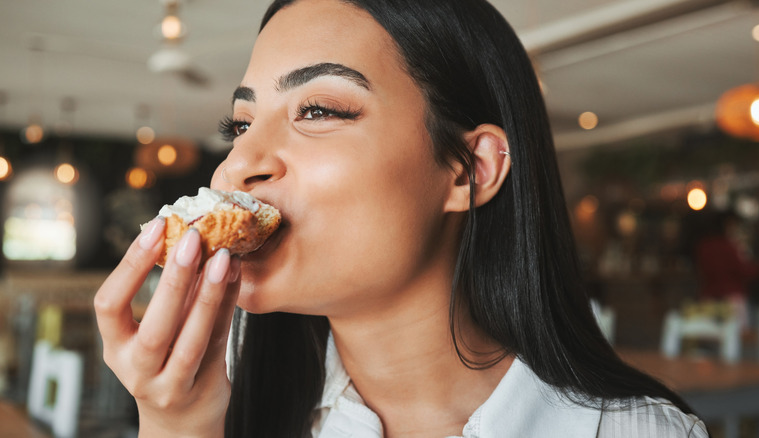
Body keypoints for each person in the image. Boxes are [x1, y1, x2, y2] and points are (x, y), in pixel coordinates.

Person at [94, 0, 709, 436]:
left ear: (469, 170)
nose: (236, 166)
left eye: (318, 109)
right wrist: (175, 427)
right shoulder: (220, 405)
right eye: (241, 124)